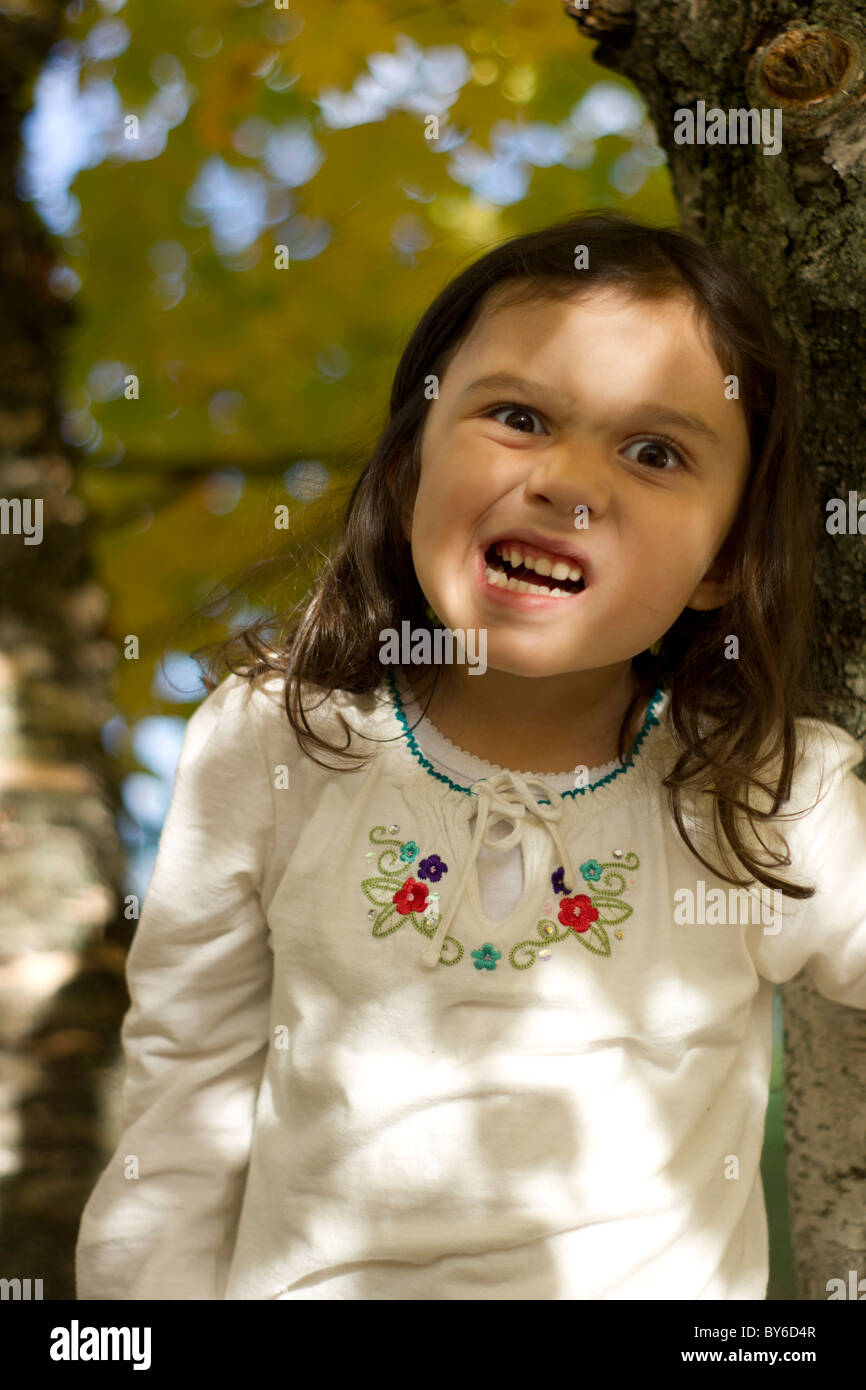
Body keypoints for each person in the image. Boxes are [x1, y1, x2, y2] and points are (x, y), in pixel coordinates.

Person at [76, 210, 866, 1300]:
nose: (568, 480)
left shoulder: (762, 790)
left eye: (653, 451)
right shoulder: (275, 744)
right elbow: (179, 1111)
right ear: (408, 465)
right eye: (518, 415)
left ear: (724, 560)